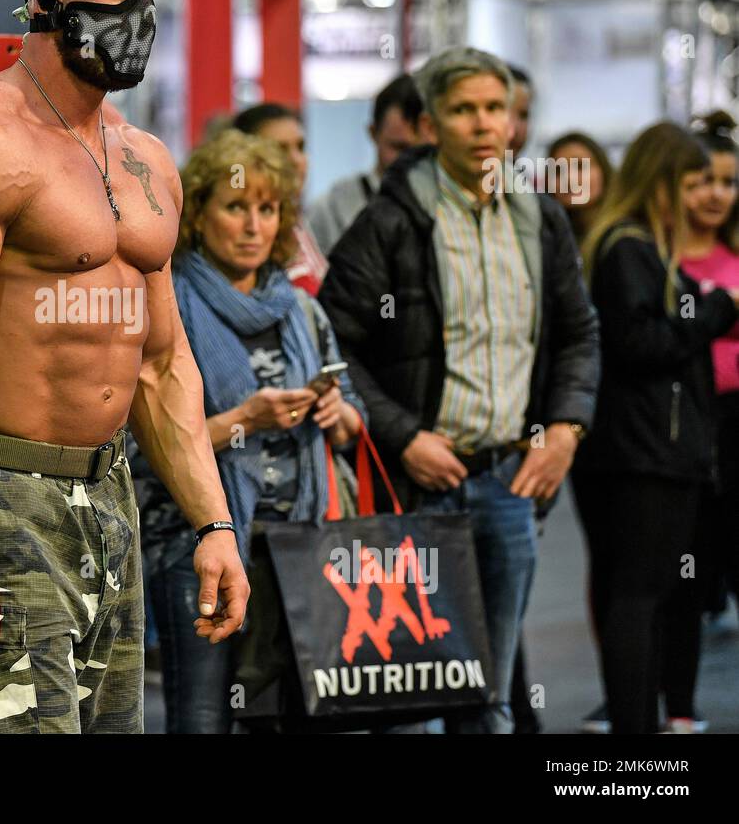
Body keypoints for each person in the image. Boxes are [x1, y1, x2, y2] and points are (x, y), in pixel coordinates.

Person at [0, 0, 249, 734]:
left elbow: (162, 363)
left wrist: (213, 522)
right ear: (47, 4)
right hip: (2, 494)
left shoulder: (146, 159)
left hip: (110, 491)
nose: (139, 14)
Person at [317, 46, 601, 733]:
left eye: (494, 109)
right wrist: (402, 434)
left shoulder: (539, 217)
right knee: (409, 703)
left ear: (512, 122)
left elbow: (578, 335)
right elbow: (331, 344)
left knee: (490, 698)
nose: (482, 124)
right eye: (463, 109)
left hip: (508, 483)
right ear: (430, 124)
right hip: (412, 488)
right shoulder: (391, 220)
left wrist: (564, 427)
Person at [136, 129, 364, 733]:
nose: (253, 225)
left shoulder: (300, 307)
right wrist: (244, 421)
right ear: (199, 215)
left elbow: (353, 415)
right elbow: (139, 446)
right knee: (202, 717)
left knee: (291, 716)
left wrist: (338, 413)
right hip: (197, 543)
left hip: (298, 545)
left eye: (267, 209)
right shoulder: (168, 302)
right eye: (236, 207)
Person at [572, 121, 739, 735]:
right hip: (643, 452)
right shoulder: (629, 247)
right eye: (691, 181)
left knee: (647, 595)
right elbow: (640, 343)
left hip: (643, 450)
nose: (701, 196)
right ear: (660, 181)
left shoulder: (636, 248)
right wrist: (718, 309)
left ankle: (642, 727)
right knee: (640, 598)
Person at [660, 112, 739, 733]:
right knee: (681, 573)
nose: (716, 194)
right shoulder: (652, 261)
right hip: (678, 430)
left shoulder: (735, 257)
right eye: (704, 181)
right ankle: (679, 712)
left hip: (737, 425)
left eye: (729, 183)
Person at [308, 74, 424, 254]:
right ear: (372, 133)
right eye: (398, 147)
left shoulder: (449, 205)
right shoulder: (333, 208)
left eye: (422, 149)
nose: (410, 158)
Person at [231, 102, 330, 295]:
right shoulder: (247, 231)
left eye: (300, 147)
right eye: (279, 149)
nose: (295, 160)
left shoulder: (295, 221)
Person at [547, 131, 612, 243]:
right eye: (558, 170)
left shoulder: (623, 239)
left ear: (603, 171)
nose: (569, 178)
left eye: (580, 166)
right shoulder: (547, 238)